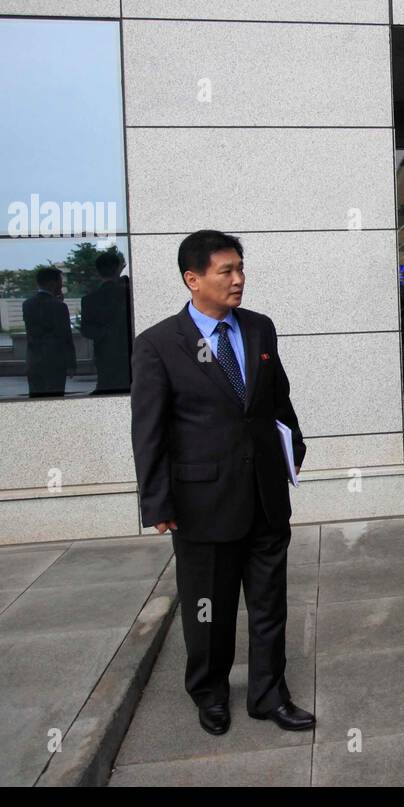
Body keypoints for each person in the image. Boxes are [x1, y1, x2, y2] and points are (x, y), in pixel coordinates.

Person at [130, 229, 313, 736]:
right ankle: (209, 692)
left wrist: (293, 450)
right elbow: (148, 432)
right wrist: (156, 501)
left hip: (265, 498)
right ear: (193, 279)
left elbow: (278, 399)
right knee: (208, 610)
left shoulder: (259, 329)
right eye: (225, 271)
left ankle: (268, 695)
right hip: (201, 503)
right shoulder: (158, 345)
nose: (238, 280)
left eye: (240, 269)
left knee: (269, 604)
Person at [79, 249, 132, 394]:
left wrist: (105, 335)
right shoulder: (129, 295)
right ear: (118, 269)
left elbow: (86, 329)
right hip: (129, 352)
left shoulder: (89, 299)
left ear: (97, 271)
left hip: (104, 354)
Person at [23, 267, 76, 397]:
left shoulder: (27, 304)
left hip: (34, 361)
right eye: (60, 281)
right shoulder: (59, 306)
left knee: (36, 398)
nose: (61, 285)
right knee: (55, 398)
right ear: (52, 283)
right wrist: (71, 363)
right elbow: (65, 336)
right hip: (55, 362)